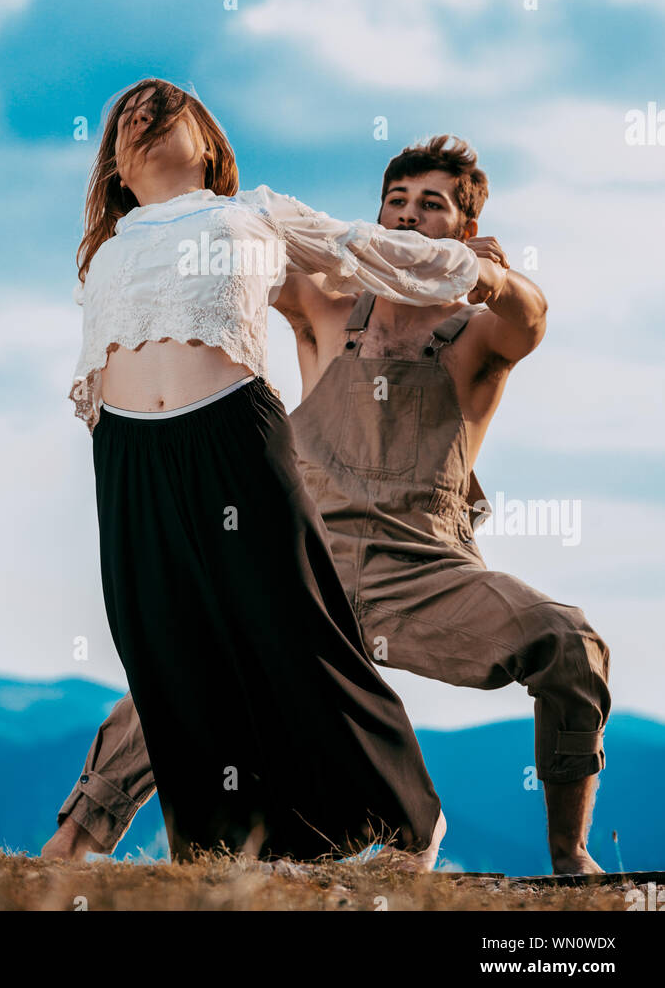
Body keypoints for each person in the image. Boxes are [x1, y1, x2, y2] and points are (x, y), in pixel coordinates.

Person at [44, 135, 610, 875]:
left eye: (430, 206)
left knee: (568, 643)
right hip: (302, 553)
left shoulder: (476, 336)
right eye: (395, 203)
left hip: (422, 568)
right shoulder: (327, 306)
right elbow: (226, 250)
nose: (407, 218)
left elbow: (529, 315)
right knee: (179, 678)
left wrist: (488, 278)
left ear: (464, 231)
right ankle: (69, 849)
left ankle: (570, 856)